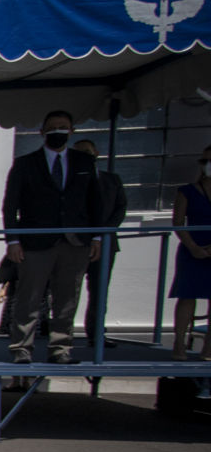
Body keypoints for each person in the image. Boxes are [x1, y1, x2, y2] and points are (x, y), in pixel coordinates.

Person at [2, 109, 103, 366]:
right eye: (53, 127)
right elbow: (10, 203)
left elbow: (96, 202)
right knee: (29, 296)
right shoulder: (25, 163)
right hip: (35, 241)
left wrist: (97, 237)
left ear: (71, 131)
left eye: (63, 127)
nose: (58, 131)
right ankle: (21, 348)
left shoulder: (84, 163)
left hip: (75, 241)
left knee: (68, 297)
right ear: (42, 132)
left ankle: (60, 348)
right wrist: (12, 240)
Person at [74, 137, 125, 347]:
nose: (84, 156)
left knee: (99, 291)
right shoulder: (70, 182)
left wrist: (103, 233)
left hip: (105, 244)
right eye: (79, 153)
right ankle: (61, 334)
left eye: (87, 151)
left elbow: (120, 209)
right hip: (76, 243)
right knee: (68, 290)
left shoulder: (112, 180)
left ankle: (96, 335)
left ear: (96, 154)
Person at [167, 144, 211, 360]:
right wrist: (193, 247)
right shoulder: (187, 191)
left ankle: (208, 348)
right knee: (187, 296)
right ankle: (179, 344)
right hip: (191, 248)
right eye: (204, 161)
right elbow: (177, 222)